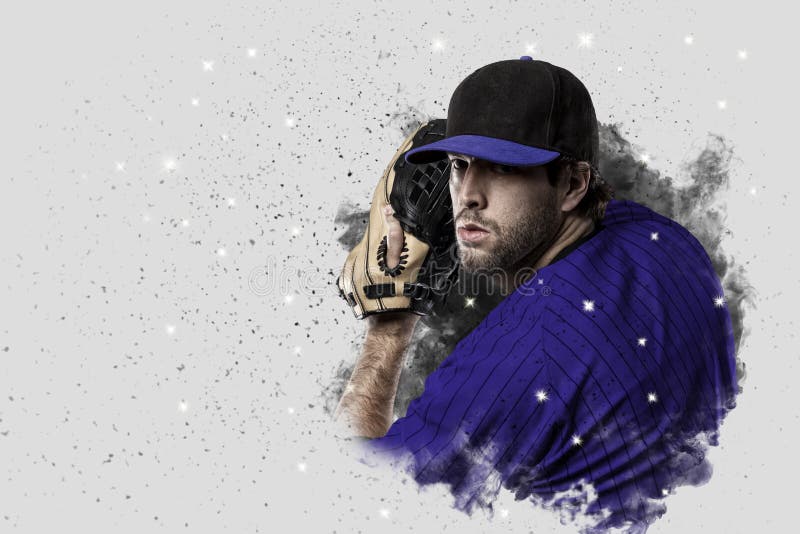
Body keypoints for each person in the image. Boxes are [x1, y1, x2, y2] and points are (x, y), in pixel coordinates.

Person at [334, 57, 738, 532]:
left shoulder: (513, 362)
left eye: (504, 168)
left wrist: (390, 322)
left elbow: (352, 498)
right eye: (460, 166)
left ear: (572, 184)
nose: (467, 195)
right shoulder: (670, 242)